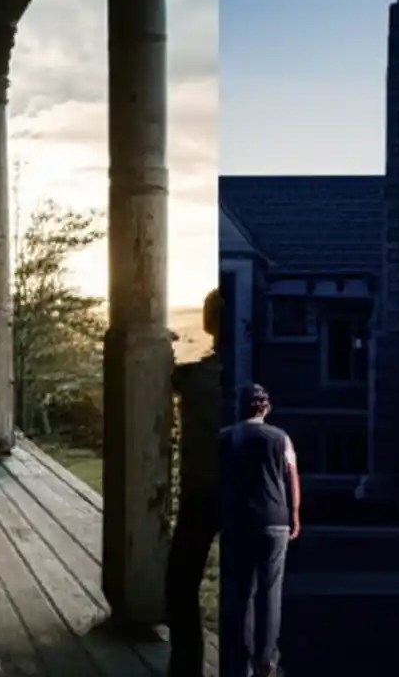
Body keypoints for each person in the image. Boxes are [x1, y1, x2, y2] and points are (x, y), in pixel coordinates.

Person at [219, 383, 300, 677]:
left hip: (239, 521)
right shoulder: (280, 438)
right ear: (266, 407)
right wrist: (294, 514)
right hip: (275, 520)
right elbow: (292, 476)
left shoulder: (227, 437)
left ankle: (242, 663)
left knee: (243, 593)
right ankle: (267, 661)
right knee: (270, 591)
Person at [166, 289, 223, 677]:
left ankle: (186, 668)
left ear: (209, 323)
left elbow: (164, 374)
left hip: (201, 494)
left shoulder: (194, 379)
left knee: (181, 584)